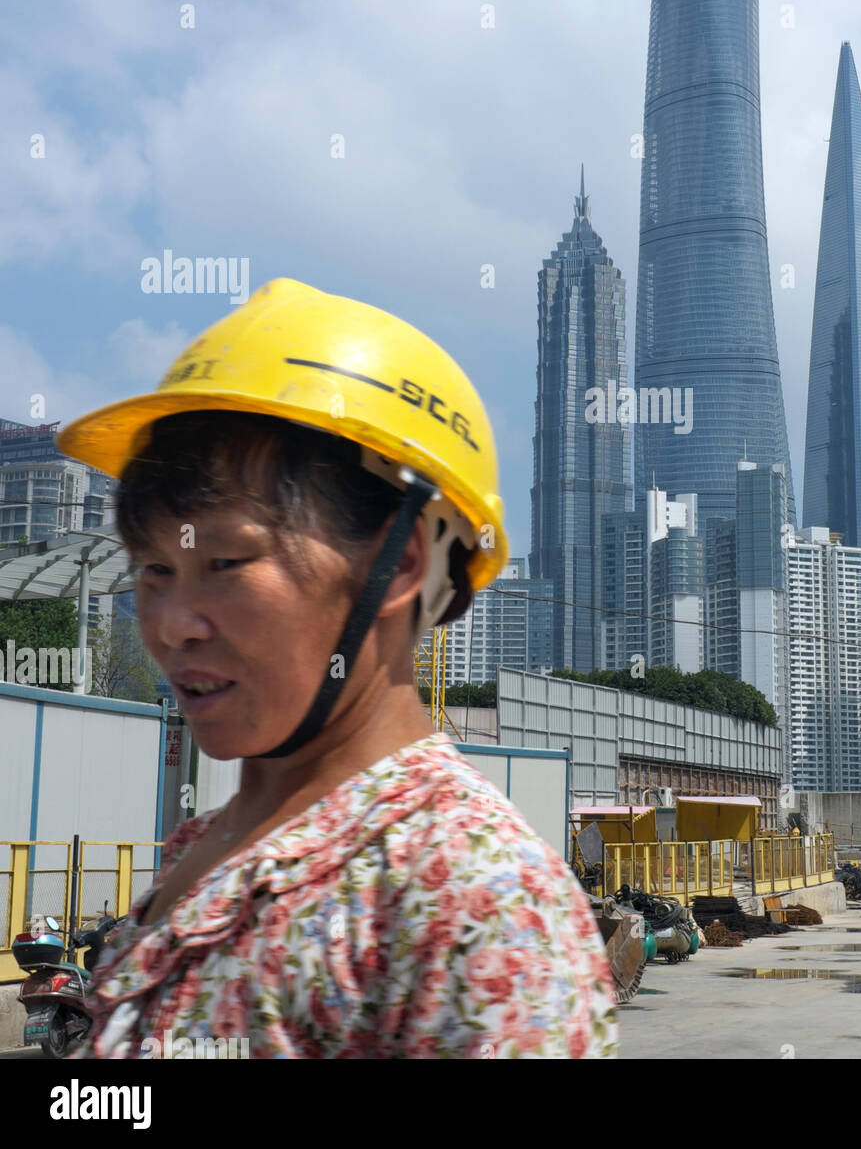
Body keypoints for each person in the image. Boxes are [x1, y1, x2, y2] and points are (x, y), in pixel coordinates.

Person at [59, 277, 617, 1058]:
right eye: (154, 570)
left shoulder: (470, 896)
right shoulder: (208, 846)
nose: (171, 625)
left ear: (400, 565)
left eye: (223, 561)